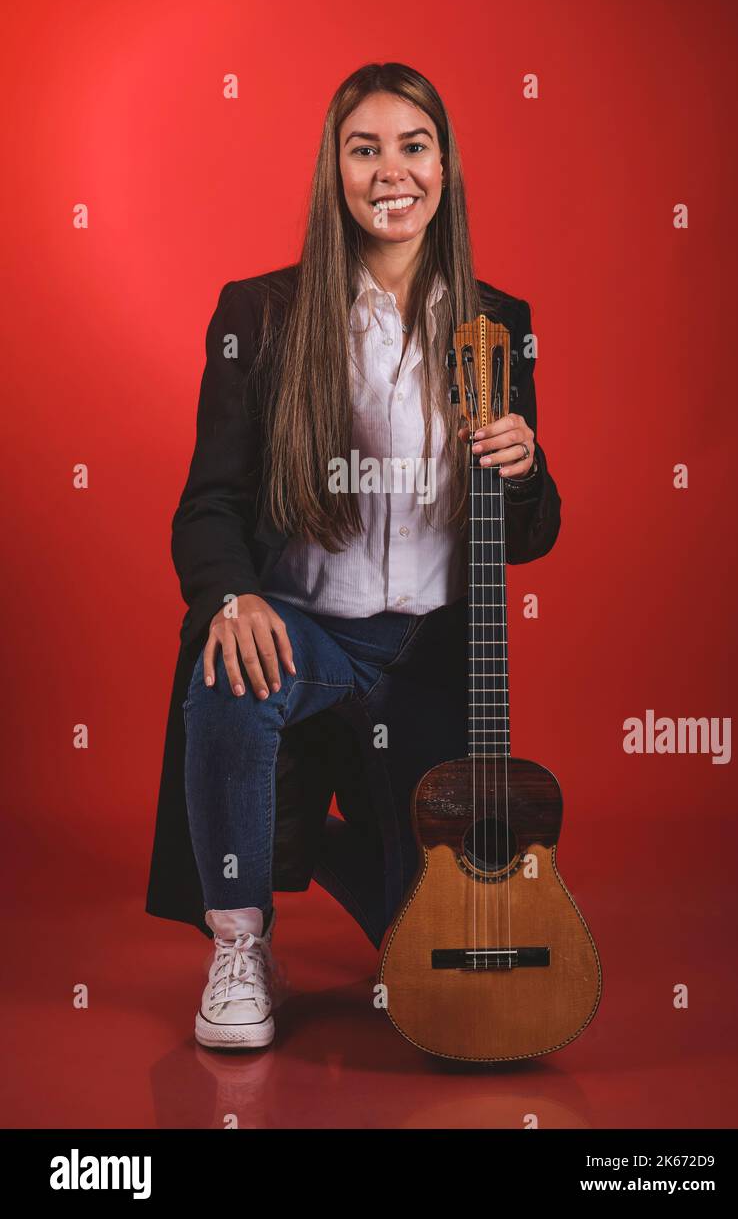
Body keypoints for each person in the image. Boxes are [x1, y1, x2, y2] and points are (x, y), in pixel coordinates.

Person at [146, 61, 562, 1050]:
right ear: (334, 169)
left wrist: (526, 466)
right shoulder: (263, 316)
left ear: (446, 164)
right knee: (229, 663)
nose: (391, 171)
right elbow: (206, 504)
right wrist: (232, 595)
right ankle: (240, 943)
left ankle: (339, 860)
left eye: (412, 146)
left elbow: (533, 537)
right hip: (305, 636)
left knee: (431, 950)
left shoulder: (499, 324)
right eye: (363, 147)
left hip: (427, 660)